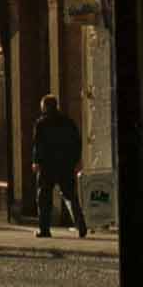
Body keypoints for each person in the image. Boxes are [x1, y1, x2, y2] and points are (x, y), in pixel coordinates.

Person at [31, 94, 87, 239]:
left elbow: (38, 145)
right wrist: (76, 160)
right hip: (65, 165)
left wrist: (36, 162)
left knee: (44, 198)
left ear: (45, 107)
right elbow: (77, 142)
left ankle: (44, 229)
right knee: (71, 196)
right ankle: (81, 225)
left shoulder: (41, 123)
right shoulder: (68, 122)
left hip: (47, 166)